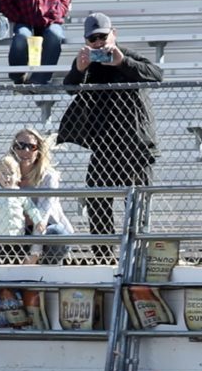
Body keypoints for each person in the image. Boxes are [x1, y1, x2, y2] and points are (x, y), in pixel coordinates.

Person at [60, 13, 162, 251]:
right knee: (96, 198)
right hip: (104, 146)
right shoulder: (88, 63)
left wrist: (121, 62)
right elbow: (69, 87)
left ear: (113, 34)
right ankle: (103, 253)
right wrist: (79, 68)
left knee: (137, 203)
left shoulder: (126, 56)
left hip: (136, 146)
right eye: (92, 39)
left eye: (102, 37)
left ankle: (137, 253)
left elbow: (157, 75)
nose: (98, 43)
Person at [7, 132, 74, 263]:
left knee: (56, 232)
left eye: (31, 147)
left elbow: (41, 218)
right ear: (13, 149)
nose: (25, 150)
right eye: (20, 145)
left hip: (45, 229)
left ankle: (48, 269)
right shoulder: (6, 173)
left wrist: (34, 255)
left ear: (38, 151)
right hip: (18, 228)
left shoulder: (48, 177)